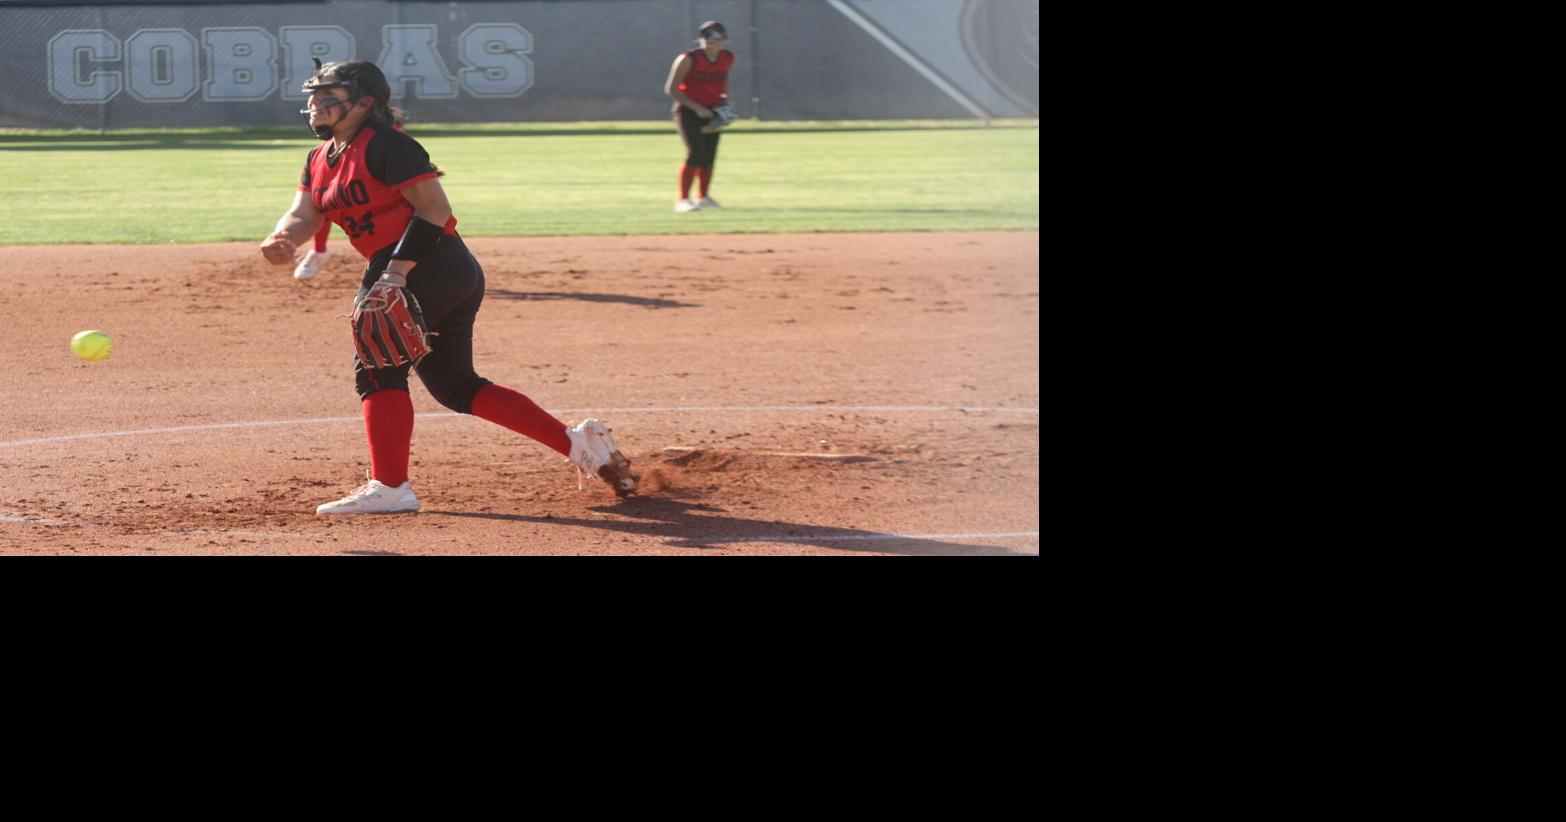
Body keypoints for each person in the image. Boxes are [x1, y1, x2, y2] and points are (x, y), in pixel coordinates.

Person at [259, 59, 637, 514]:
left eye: (329, 95)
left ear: (364, 102)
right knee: (455, 385)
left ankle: (391, 488)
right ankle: (581, 445)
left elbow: (434, 209)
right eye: (314, 96)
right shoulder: (321, 158)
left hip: (426, 261)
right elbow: (306, 213)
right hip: (437, 267)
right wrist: (282, 238)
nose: (316, 104)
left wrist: (396, 273)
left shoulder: (386, 145)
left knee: (377, 368)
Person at [664, 20, 735, 213]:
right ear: (700, 39)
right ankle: (683, 200)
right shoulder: (688, 58)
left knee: (709, 155)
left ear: (725, 40)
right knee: (695, 153)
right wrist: (696, 107)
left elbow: (722, 83)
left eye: (717, 37)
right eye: (706, 36)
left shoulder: (728, 58)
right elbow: (671, 89)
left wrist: (723, 103)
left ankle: (703, 197)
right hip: (688, 111)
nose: (711, 41)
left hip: (712, 110)